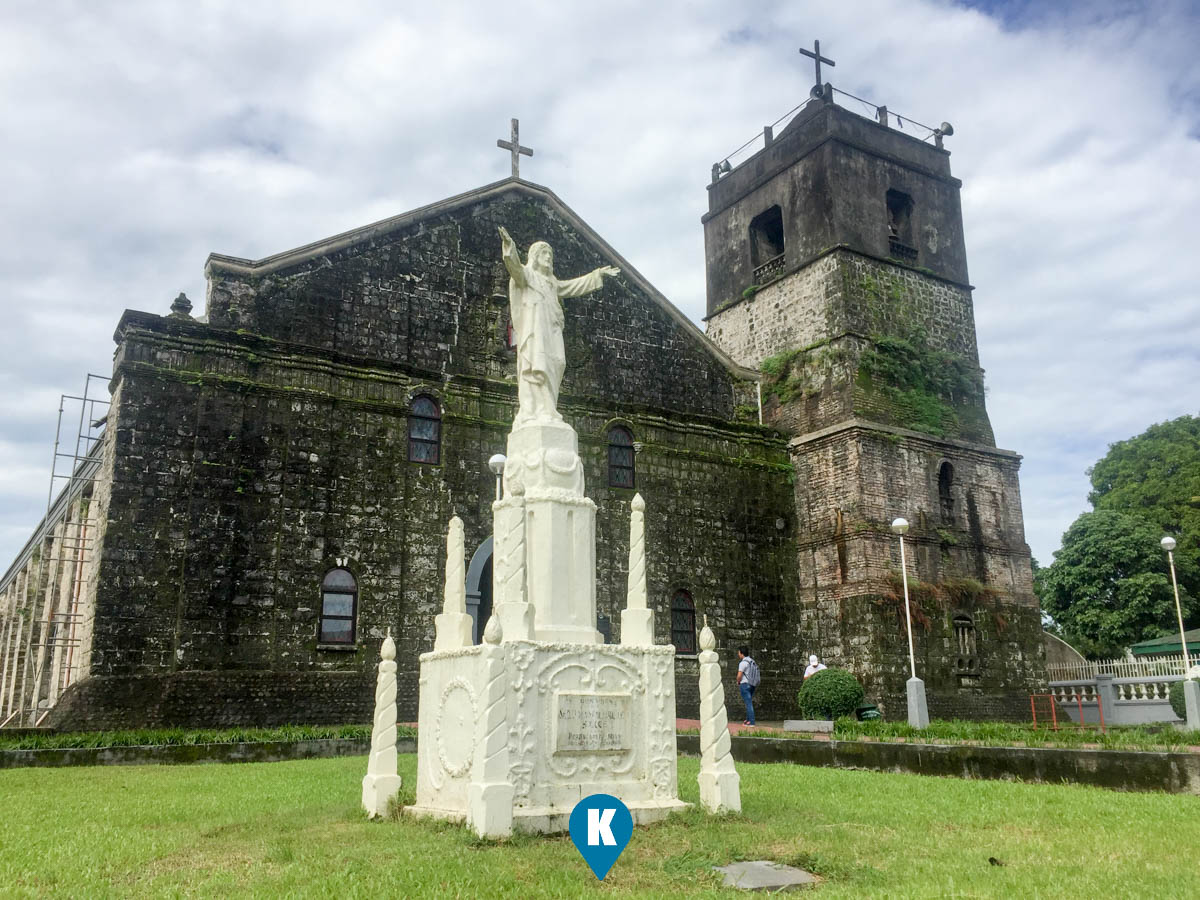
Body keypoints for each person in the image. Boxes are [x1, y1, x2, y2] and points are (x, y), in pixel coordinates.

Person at [499, 226, 619, 425]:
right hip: (535, 331)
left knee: (558, 363)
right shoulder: (528, 276)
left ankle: (549, 407)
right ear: (535, 256)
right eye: (544, 253)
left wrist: (596, 275)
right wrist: (509, 246)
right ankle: (540, 410)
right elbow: (515, 268)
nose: (549, 257)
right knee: (539, 365)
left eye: (550, 254)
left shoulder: (552, 282)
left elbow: (572, 286)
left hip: (552, 328)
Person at [736, 646, 760, 727]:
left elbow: (739, 675)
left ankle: (751, 722)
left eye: (739, 652)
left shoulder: (743, 663)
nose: (738, 654)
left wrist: (738, 681)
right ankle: (748, 720)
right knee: (748, 702)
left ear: (742, 653)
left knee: (748, 703)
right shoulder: (752, 661)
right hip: (752, 684)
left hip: (745, 684)